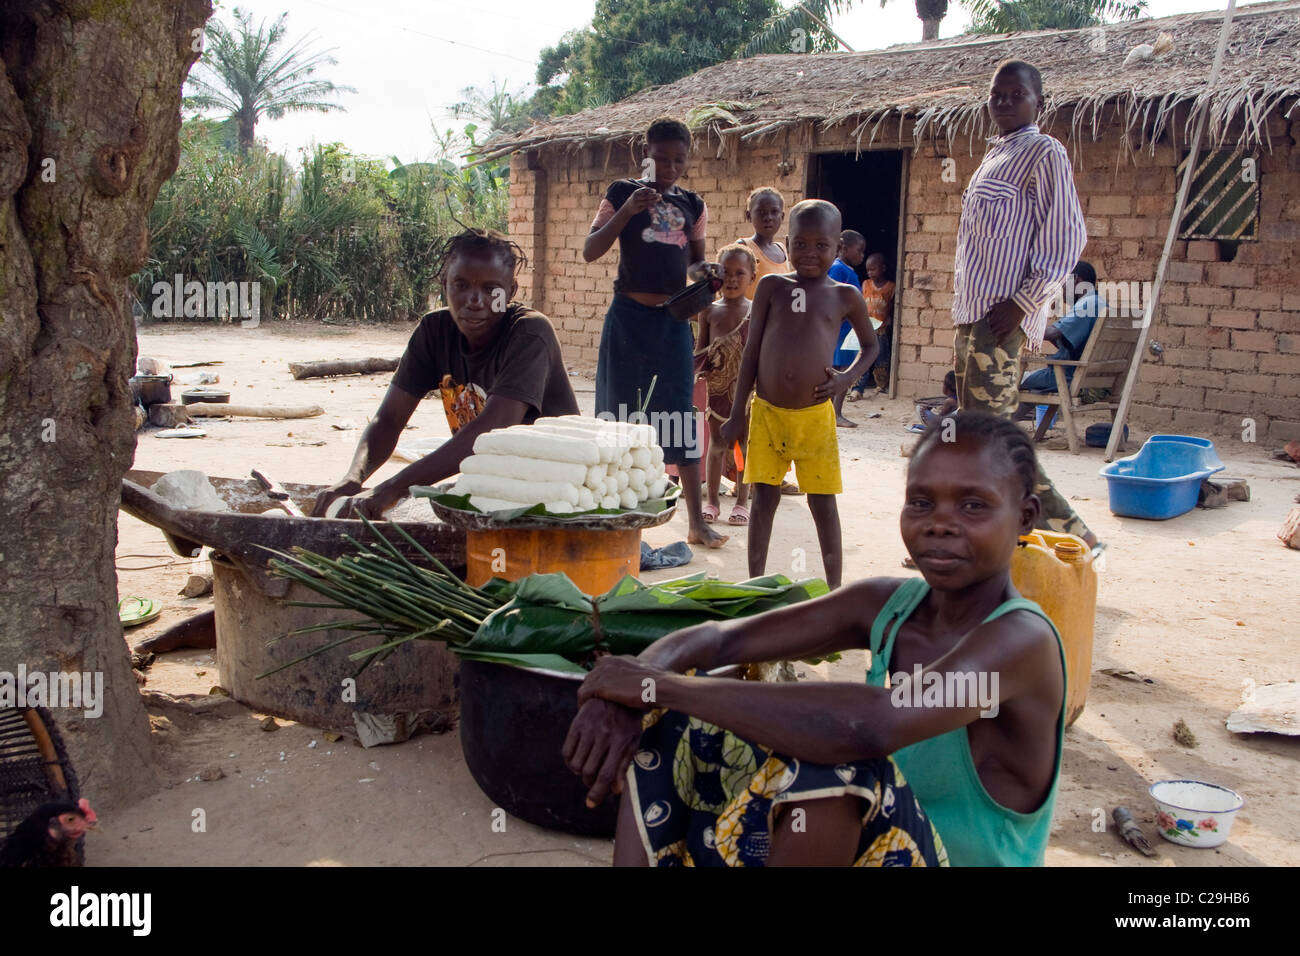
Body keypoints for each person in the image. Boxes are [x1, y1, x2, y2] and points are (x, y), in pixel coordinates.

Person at [563, 411, 1068, 867]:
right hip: (873, 850)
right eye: (921, 503)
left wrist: (657, 686)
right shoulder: (888, 606)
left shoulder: (1023, 642)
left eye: (973, 506)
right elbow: (718, 640)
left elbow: (872, 724)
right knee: (669, 722)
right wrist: (631, 692)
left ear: (1025, 517)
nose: (940, 524)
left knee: (835, 767)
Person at [311, 229, 579, 519]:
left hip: (558, 495)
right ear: (444, 284)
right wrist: (354, 477)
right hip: (495, 488)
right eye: (461, 285)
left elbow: (493, 428)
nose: (475, 300)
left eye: (491, 289)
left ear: (510, 291)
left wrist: (394, 487)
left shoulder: (530, 333)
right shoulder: (434, 331)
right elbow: (389, 420)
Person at [951, 58, 1101, 553]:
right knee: (977, 440)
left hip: (1001, 319)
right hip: (973, 315)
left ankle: (1072, 535)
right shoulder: (993, 158)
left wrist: (1023, 302)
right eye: (997, 94)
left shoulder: (1044, 152)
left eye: (1017, 94)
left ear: (1040, 101)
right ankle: (975, 539)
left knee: (995, 442)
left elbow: (1067, 236)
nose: (1005, 102)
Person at [583, 116, 726, 549]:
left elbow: (694, 263)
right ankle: (612, 516)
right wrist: (628, 210)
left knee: (681, 413)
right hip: (628, 318)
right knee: (619, 414)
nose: (670, 167)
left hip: (673, 321)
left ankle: (696, 522)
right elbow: (590, 250)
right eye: (662, 158)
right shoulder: (621, 193)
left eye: (679, 160)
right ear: (645, 154)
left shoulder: (693, 205)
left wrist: (708, 273)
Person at [719, 200, 878, 591]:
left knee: (822, 502)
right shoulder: (772, 287)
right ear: (788, 244)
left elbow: (871, 346)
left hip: (814, 417)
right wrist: (737, 413)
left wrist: (846, 379)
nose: (810, 253)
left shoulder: (845, 295)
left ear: (837, 248)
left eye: (821, 245)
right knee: (764, 498)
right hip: (768, 413)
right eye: (801, 244)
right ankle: (755, 583)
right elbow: (751, 352)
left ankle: (835, 589)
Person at [694, 243, 755, 526]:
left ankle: (742, 501)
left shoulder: (756, 312)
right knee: (717, 444)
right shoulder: (709, 311)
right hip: (718, 388)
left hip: (748, 390)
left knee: (744, 445)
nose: (731, 279)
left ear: (752, 277)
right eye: (725, 273)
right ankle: (712, 502)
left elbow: (760, 352)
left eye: (739, 273)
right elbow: (701, 350)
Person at [1014, 260, 1106, 419]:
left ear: (1076, 279)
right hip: (1093, 380)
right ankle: (1002, 426)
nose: (1060, 288)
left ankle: (992, 426)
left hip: (1069, 378)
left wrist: (1019, 325)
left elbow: (1052, 333)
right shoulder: (1100, 303)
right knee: (1032, 387)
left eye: (1063, 282)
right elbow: (1068, 342)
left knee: (1010, 378)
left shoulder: (1087, 304)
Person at [828, 230, 866, 428]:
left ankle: (834, 412)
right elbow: (831, 297)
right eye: (859, 250)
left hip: (847, 330)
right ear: (843, 248)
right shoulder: (838, 269)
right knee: (841, 370)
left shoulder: (847, 270)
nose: (862, 255)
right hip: (840, 330)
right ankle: (835, 413)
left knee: (844, 369)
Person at [849, 253, 897, 399]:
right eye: (868, 270)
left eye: (873, 269)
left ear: (883, 268)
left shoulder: (891, 287)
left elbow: (893, 308)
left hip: (881, 329)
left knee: (881, 360)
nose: (870, 272)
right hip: (865, 328)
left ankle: (880, 387)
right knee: (862, 358)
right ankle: (857, 389)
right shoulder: (866, 284)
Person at [734, 187, 789, 299]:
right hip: (752, 310)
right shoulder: (744, 248)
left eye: (774, 212)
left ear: (782, 216)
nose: (768, 217)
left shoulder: (782, 249)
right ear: (748, 216)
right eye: (761, 212)